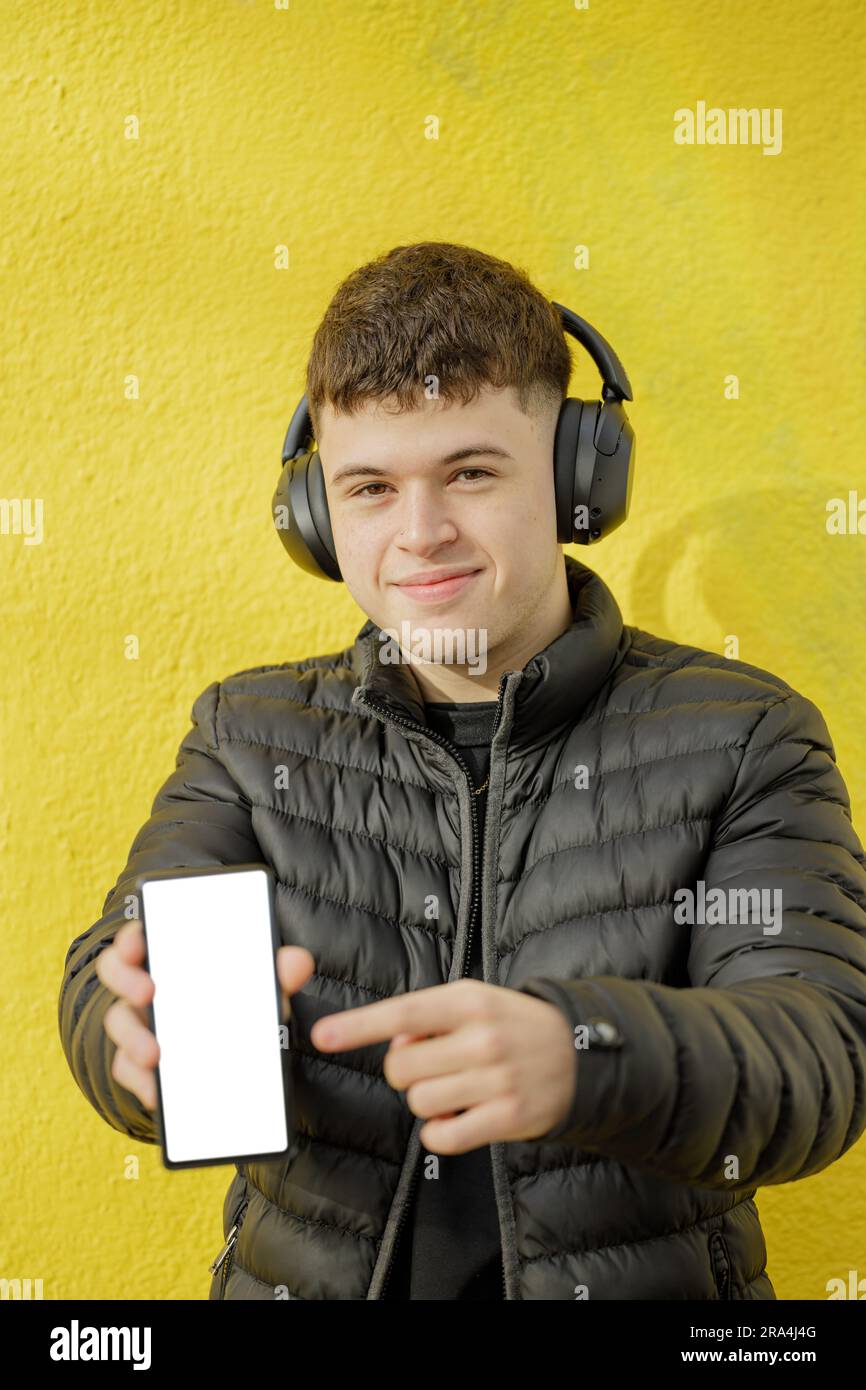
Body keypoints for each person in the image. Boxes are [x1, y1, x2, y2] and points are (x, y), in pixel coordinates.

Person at [59, 241, 866, 1300]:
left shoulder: (743, 732)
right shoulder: (247, 734)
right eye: (369, 488)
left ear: (579, 478)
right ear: (313, 517)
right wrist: (127, 1037)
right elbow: (109, 970)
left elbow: (817, 1052)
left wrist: (588, 1051)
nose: (419, 535)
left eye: (470, 473)